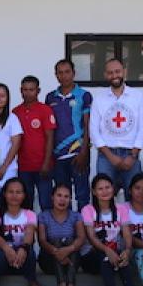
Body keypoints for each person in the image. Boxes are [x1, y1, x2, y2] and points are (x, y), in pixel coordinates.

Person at [81, 173, 143, 286]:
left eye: (107, 187)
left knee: (123, 260)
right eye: (100, 188)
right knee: (106, 257)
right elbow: (91, 237)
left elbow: (127, 234)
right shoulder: (88, 210)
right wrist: (107, 250)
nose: (104, 191)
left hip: (114, 251)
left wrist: (127, 250)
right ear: (94, 192)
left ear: (113, 188)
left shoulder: (121, 209)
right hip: (91, 256)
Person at [89, 58, 143, 194]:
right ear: (105, 75)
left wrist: (133, 156)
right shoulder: (99, 98)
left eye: (117, 71)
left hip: (131, 154)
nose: (114, 75)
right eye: (110, 73)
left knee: (135, 196)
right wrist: (111, 156)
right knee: (104, 197)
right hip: (106, 156)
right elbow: (93, 130)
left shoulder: (138, 96)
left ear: (125, 72)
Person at [47, 59, 93, 210]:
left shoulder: (84, 95)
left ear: (73, 73)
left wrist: (84, 151)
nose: (64, 76)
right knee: (62, 197)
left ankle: (84, 231)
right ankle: (66, 231)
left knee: (82, 195)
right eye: (60, 72)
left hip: (78, 154)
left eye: (67, 72)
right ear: (56, 75)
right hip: (58, 155)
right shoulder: (50, 97)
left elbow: (88, 125)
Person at [0, 178, 44, 286]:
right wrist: (8, 249)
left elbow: (29, 234)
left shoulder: (30, 214)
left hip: (21, 258)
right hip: (2, 258)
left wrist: (23, 248)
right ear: (4, 194)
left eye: (18, 192)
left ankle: (32, 280)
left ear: (24, 195)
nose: (14, 195)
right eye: (11, 192)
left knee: (30, 253)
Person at [37, 183, 87, 286]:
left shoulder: (76, 216)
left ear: (70, 199)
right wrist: (57, 252)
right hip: (49, 261)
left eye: (66, 196)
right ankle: (63, 285)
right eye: (59, 195)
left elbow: (81, 238)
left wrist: (67, 250)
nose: (62, 199)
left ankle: (69, 285)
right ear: (52, 197)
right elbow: (42, 240)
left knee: (71, 241)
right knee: (56, 242)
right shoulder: (43, 216)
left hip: (71, 260)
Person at [13, 75, 57, 211]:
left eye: (31, 89)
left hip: (43, 167)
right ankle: (29, 232)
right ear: (21, 90)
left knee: (46, 203)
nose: (28, 93)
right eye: (25, 89)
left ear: (38, 91)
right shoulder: (15, 112)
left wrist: (46, 163)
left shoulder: (45, 110)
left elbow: (50, 138)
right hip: (24, 167)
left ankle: (47, 232)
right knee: (26, 204)